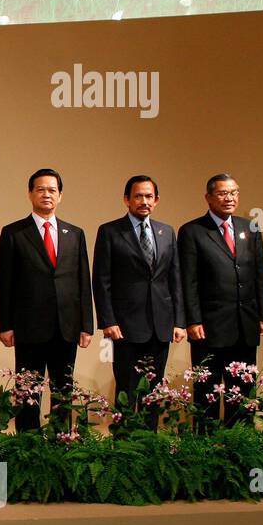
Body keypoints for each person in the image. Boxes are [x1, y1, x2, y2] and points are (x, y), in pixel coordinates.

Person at [0, 168, 93, 432]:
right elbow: (5, 283)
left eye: (52, 190)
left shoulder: (75, 233)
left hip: (67, 325)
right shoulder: (14, 233)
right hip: (29, 326)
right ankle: (29, 443)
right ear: (30, 194)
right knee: (28, 390)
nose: (46, 194)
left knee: (64, 389)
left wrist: (87, 324)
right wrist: (5, 324)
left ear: (60, 195)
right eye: (40, 189)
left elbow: (84, 280)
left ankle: (61, 440)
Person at [178, 173, 263, 430]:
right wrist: (192, 319)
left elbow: (259, 275)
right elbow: (189, 281)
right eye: (222, 193)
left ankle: (239, 448)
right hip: (209, 327)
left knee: (241, 394)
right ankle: (205, 453)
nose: (229, 198)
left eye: (234, 192)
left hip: (245, 324)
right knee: (207, 392)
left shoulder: (250, 229)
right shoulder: (192, 231)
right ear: (208, 198)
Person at [92, 175, 185, 425]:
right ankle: (123, 446)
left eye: (149, 196)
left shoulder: (167, 232)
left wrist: (179, 321)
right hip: (125, 326)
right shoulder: (110, 231)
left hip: (161, 325)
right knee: (127, 389)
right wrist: (108, 321)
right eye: (138, 196)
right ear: (126, 199)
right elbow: (101, 281)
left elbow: (174, 279)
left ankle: (149, 444)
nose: (144, 201)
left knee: (153, 391)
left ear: (156, 201)